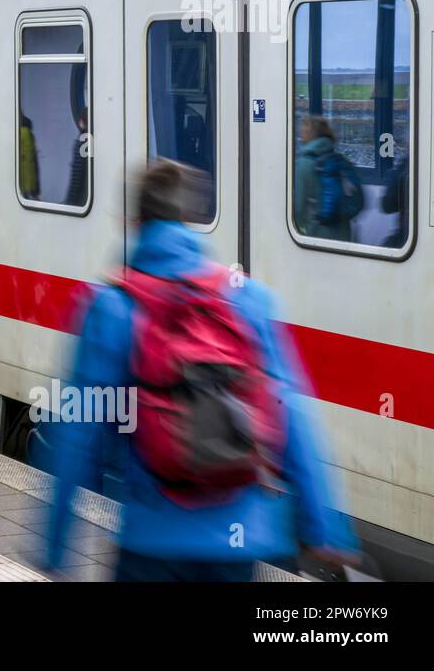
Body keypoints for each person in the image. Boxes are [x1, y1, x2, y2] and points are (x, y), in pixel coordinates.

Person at [45, 159, 358, 581]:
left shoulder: (112, 306)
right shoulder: (249, 300)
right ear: (192, 219)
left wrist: (54, 544)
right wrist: (323, 527)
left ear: (133, 222)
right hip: (236, 542)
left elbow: (77, 433)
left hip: (150, 544)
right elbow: (293, 418)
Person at [293, 115, 355, 242]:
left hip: (316, 237)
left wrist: (304, 229)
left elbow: (298, 209)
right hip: (344, 235)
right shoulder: (341, 159)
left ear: (309, 134)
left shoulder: (304, 163)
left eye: (303, 131)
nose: (301, 136)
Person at [19, 113, 40, 200]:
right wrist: (35, 191)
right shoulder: (28, 133)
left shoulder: (20, 133)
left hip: (24, 187)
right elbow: (33, 163)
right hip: (29, 187)